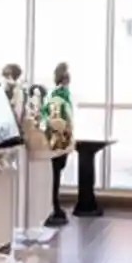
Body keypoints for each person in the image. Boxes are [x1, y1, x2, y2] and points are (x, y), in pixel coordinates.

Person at [44, 62, 74, 226]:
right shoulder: (61, 95)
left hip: (59, 139)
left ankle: (54, 205)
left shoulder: (56, 94)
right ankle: (53, 206)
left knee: (55, 174)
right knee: (55, 175)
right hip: (59, 140)